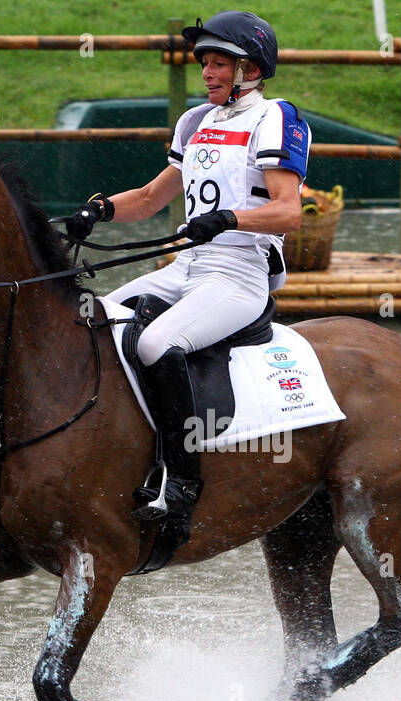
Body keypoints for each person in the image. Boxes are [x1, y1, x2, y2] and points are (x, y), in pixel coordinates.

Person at [62, 10, 311, 532]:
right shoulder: (195, 122)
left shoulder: (276, 118)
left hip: (240, 273)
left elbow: (289, 210)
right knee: (95, 319)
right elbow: (153, 198)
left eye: (221, 63)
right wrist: (99, 209)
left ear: (251, 69)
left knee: (155, 345)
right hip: (190, 263)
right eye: (205, 63)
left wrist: (229, 219)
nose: (208, 73)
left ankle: (182, 481)